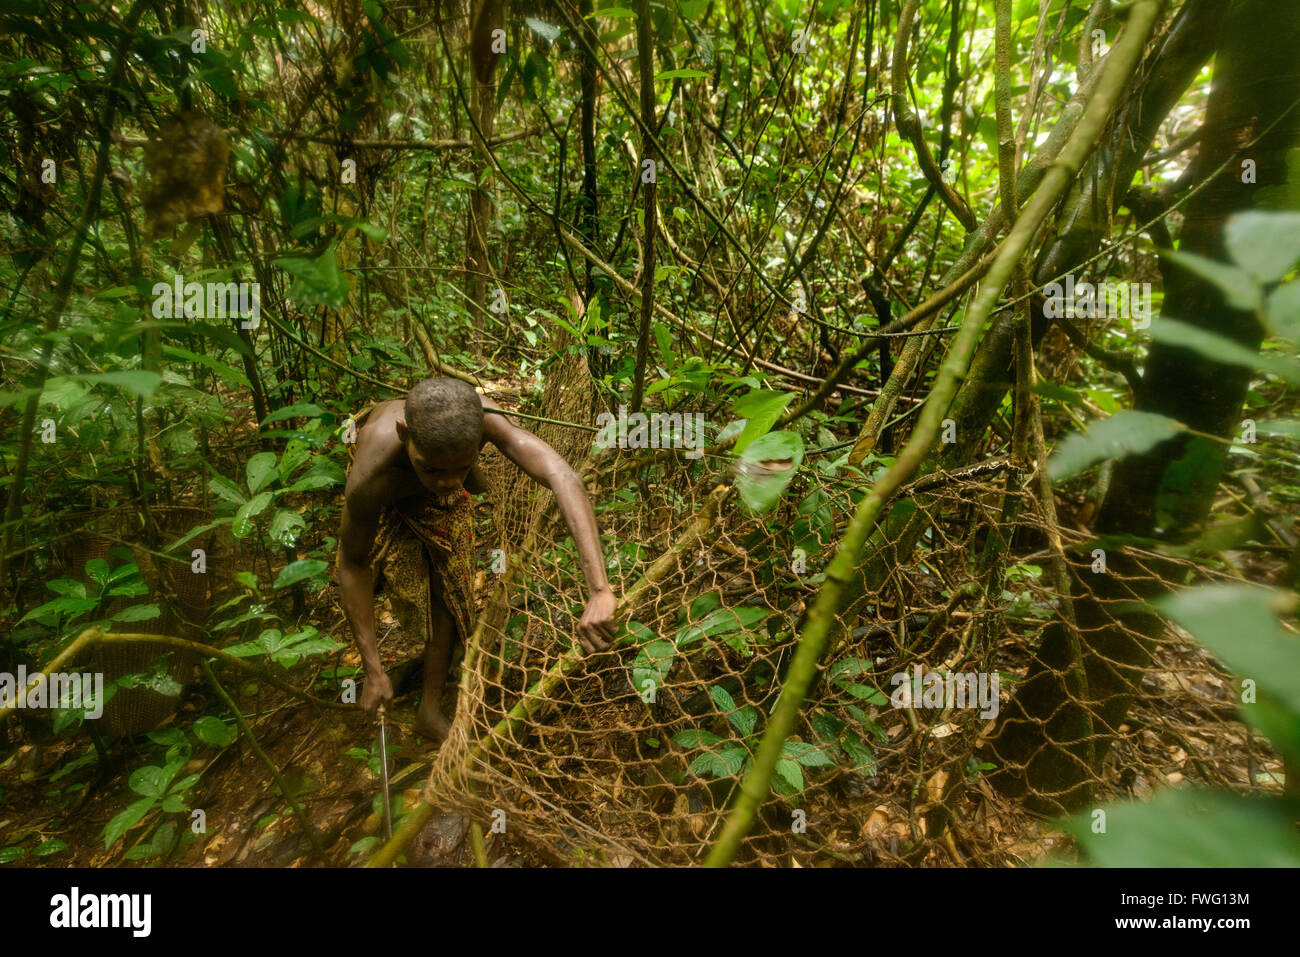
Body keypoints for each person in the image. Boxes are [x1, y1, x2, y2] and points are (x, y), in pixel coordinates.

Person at [335, 377, 618, 740]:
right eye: (433, 469)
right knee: (379, 575)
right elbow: (352, 563)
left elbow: (561, 474)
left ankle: (430, 707)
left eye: (462, 468)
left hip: (437, 494)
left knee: (449, 593)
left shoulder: (486, 420)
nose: (449, 482)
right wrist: (373, 668)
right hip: (394, 492)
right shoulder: (372, 475)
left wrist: (599, 589)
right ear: (405, 435)